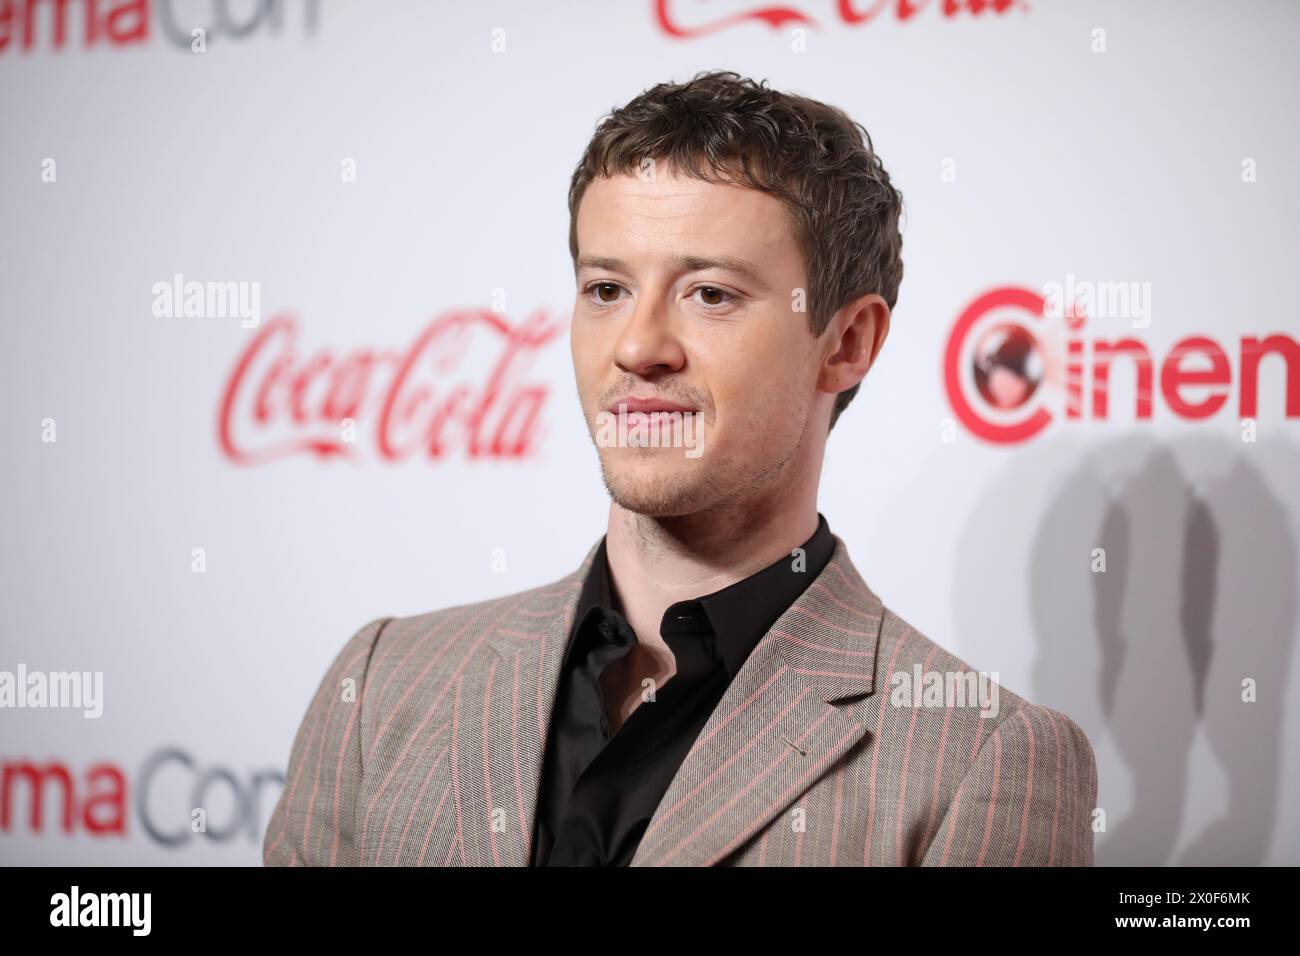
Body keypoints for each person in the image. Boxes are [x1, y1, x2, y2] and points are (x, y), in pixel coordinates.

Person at [264, 70, 1096, 867]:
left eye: (710, 294)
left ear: (846, 343)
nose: (637, 347)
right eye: (606, 290)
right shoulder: (383, 683)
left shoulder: (978, 760)